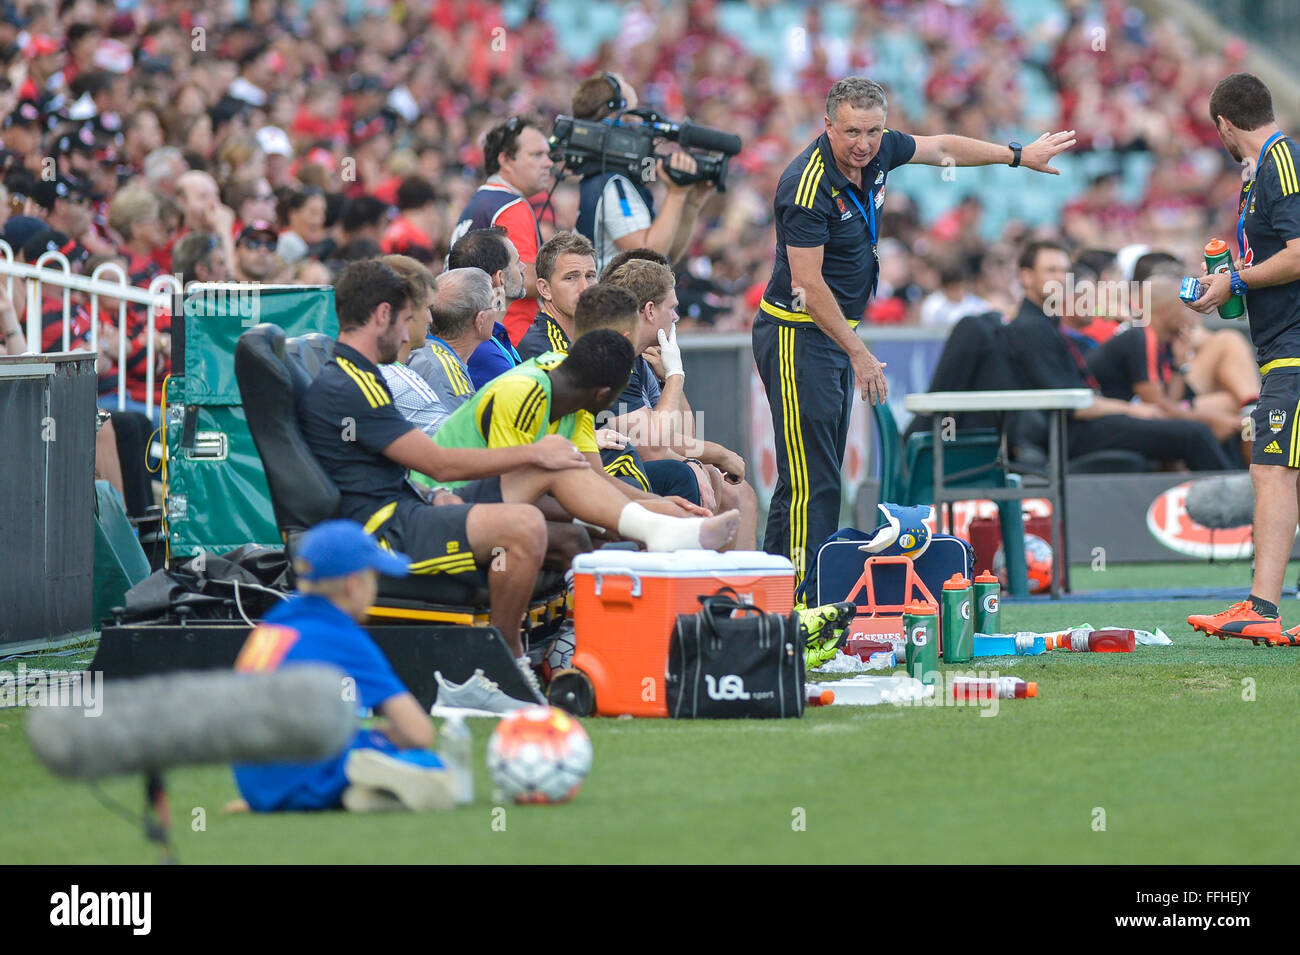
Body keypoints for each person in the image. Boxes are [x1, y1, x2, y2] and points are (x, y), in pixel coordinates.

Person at [300, 260, 736, 678]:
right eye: (409, 317)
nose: (417, 329)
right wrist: (532, 455)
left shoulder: (362, 376)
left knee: (561, 481)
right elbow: (436, 462)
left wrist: (655, 502)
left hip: (415, 506)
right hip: (384, 529)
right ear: (382, 315)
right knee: (527, 522)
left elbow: (396, 471)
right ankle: (503, 664)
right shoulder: (350, 384)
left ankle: (642, 550)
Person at [754, 76, 1076, 579]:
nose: (863, 144)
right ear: (827, 127)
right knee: (812, 481)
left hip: (828, 337)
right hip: (796, 335)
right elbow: (807, 286)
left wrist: (1017, 155)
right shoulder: (806, 184)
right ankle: (802, 604)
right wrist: (859, 352)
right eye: (852, 132)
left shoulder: (878, 153)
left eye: (874, 132)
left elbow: (943, 146)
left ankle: (778, 594)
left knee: (812, 476)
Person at [230, 519, 458, 813]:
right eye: (374, 577)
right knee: (429, 763)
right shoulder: (342, 634)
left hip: (255, 785)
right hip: (304, 778)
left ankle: (346, 789)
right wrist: (382, 736)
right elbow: (419, 733)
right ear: (353, 586)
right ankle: (362, 791)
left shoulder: (276, 622)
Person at [1187, 74, 1300, 645]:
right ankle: (1263, 605)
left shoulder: (1282, 164)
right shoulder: (1262, 174)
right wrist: (1230, 287)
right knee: (1282, 470)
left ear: (1224, 125)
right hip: (1283, 346)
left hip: (1295, 351)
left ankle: (1261, 606)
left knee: (1270, 468)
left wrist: (1236, 276)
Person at [1005, 239, 1235, 470]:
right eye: (1050, 270)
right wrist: (1131, 410)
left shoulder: (1046, 323)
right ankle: (1232, 501)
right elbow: (1072, 404)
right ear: (1026, 277)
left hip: (1081, 423)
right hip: (1068, 432)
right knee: (1194, 434)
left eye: (1064, 271)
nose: (1060, 278)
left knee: (1198, 428)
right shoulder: (1031, 328)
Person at [1086, 271, 1255, 445]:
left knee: (1237, 409)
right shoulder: (1140, 336)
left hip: (1157, 410)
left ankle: (1253, 409)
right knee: (1229, 342)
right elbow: (1158, 405)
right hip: (1111, 422)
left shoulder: (1166, 341)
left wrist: (1179, 363)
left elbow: (1172, 400)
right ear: (1166, 311)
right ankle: (1253, 409)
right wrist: (1212, 420)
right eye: (1186, 308)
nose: (1194, 315)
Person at [569, 73, 715, 273]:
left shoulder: (611, 179)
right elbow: (647, 260)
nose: (641, 123)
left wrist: (691, 204)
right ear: (615, 118)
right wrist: (676, 194)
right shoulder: (613, 184)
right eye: (634, 113)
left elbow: (666, 256)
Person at [451, 116, 551, 344]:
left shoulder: (481, 200)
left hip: (475, 335)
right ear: (505, 160)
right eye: (537, 155)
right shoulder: (511, 205)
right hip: (509, 336)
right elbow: (524, 279)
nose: (548, 163)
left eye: (547, 154)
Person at [446, 227, 525, 388]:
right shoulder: (483, 352)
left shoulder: (492, 336)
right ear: (500, 279)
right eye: (517, 262)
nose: (523, 267)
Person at [407, 267, 491, 412]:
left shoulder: (429, 353)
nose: (497, 312)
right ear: (480, 321)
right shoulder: (447, 372)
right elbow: (464, 431)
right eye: (494, 306)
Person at [515, 230, 596, 361]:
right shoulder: (544, 351)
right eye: (570, 278)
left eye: (590, 276)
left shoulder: (592, 336)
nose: (585, 288)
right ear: (545, 289)